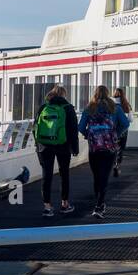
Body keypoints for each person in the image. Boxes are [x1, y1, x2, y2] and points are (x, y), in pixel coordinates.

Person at [78, 85, 129, 218]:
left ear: (95, 94)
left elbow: (81, 126)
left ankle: (99, 203)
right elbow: (125, 124)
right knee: (104, 177)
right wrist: (116, 135)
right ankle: (100, 206)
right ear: (108, 94)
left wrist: (88, 134)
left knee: (96, 177)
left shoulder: (89, 108)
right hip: (109, 148)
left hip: (94, 148)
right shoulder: (115, 108)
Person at [34, 84, 79, 218]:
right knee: (64, 174)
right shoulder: (68, 108)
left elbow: (35, 127)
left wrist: (38, 146)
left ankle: (47, 207)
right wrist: (75, 148)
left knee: (46, 175)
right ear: (64, 95)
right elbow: (73, 130)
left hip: (45, 145)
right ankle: (64, 204)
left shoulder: (43, 107)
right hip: (63, 145)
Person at [112, 87, 132, 177]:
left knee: (112, 147)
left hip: (112, 129)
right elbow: (130, 119)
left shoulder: (110, 103)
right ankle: (117, 164)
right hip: (123, 130)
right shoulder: (126, 105)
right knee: (120, 148)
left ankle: (112, 163)